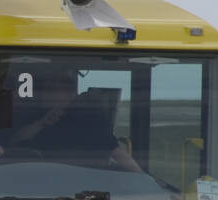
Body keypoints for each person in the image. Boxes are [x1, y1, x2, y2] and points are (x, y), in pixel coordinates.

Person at [9, 70, 141, 171]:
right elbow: (13, 143)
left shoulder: (89, 119)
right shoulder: (33, 117)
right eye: (45, 89)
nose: (44, 94)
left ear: (71, 94)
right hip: (36, 186)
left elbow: (117, 152)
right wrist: (40, 123)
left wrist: (143, 180)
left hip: (84, 189)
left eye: (51, 90)